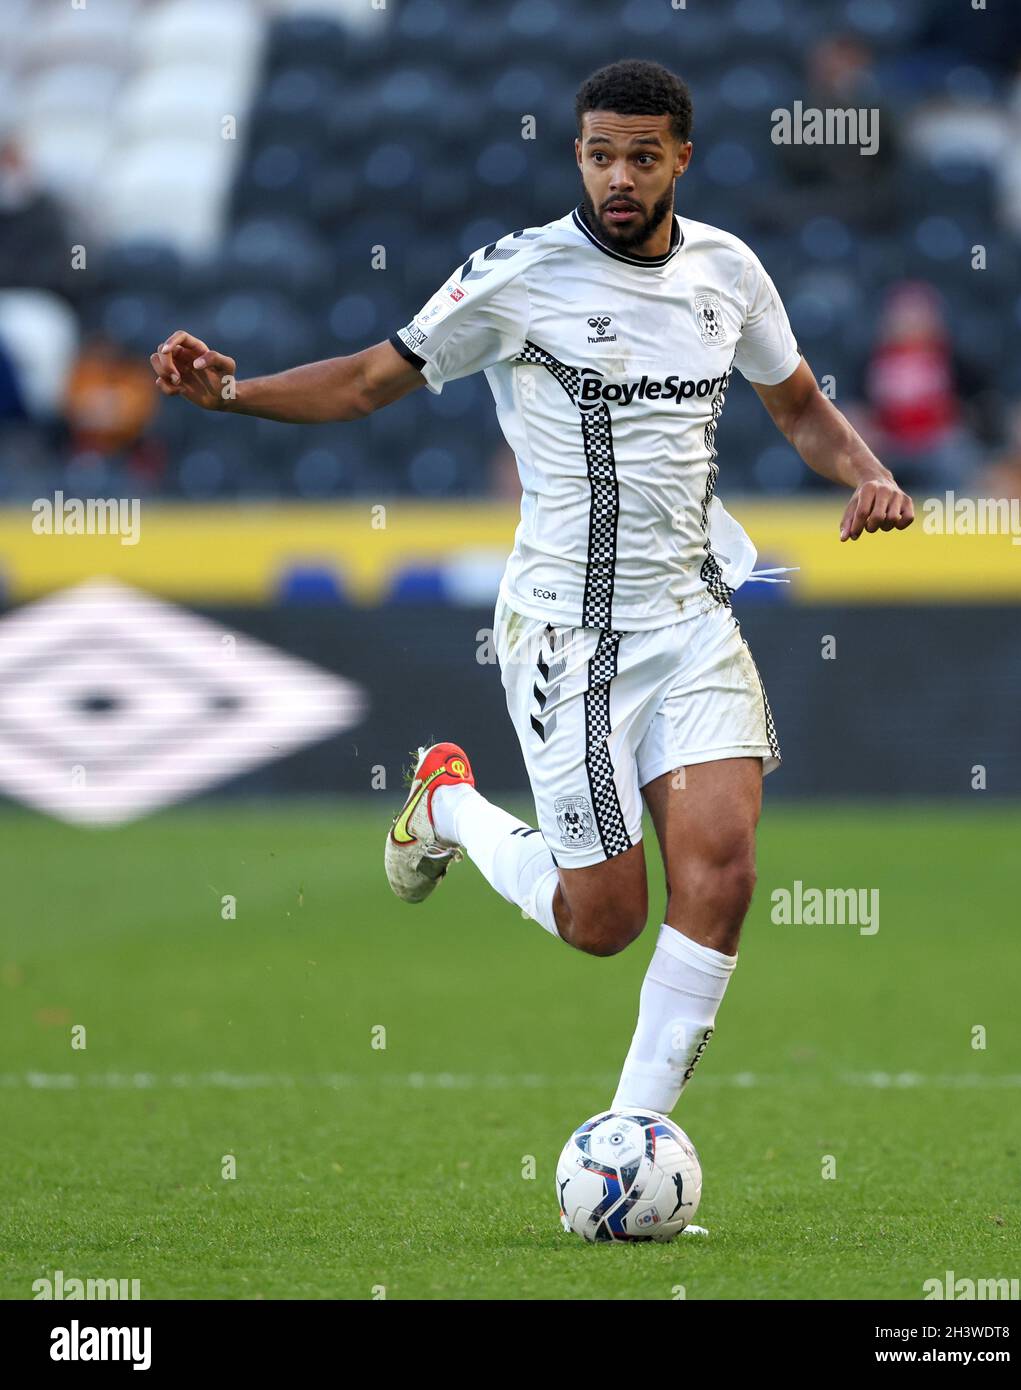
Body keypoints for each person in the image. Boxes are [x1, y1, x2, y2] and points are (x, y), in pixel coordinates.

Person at [151, 60, 913, 1140]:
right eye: (599, 153)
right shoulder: (519, 277)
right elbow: (373, 379)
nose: (618, 175)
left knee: (724, 872)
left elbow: (798, 407)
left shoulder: (729, 273)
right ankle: (447, 802)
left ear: (680, 160)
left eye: (641, 156)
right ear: (577, 154)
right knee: (603, 919)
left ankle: (631, 1137)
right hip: (568, 629)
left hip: (692, 617)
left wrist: (869, 472)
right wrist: (229, 392)